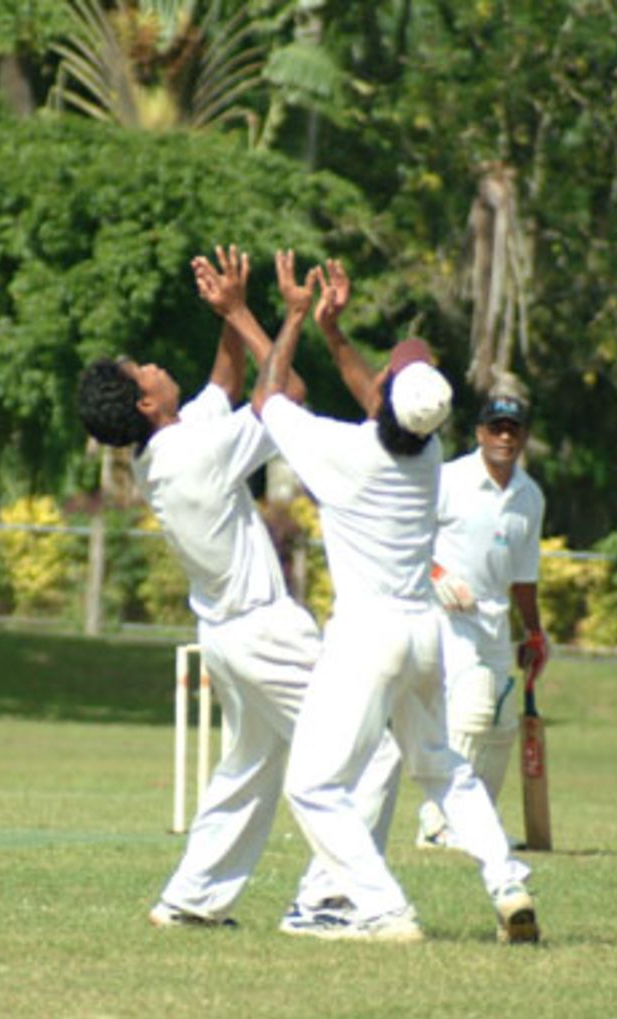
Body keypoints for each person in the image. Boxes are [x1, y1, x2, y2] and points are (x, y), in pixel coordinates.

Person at [75, 246, 397, 929]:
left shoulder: (168, 444)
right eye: (148, 370)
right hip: (265, 631)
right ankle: (326, 901)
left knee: (252, 767)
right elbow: (289, 399)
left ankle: (191, 899)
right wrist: (272, 315)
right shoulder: (191, 455)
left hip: (229, 638)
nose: (160, 366)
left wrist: (227, 315)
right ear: (145, 399)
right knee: (372, 751)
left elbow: (225, 384)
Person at [250, 258, 539, 944]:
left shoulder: (344, 451)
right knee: (443, 767)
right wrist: (335, 333)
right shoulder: (431, 454)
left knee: (313, 786)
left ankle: (379, 906)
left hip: (367, 637)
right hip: (424, 634)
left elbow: (269, 399)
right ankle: (507, 881)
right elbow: (391, 402)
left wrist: (297, 316)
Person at [417, 388, 549, 850]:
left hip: (494, 616)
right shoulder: (448, 479)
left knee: (501, 727)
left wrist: (534, 632)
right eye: (496, 427)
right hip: (447, 612)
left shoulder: (529, 496)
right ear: (479, 433)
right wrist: (435, 575)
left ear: (524, 437)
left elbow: (525, 574)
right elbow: (411, 537)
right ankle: (437, 824)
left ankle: (478, 826)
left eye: (513, 429)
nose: (504, 437)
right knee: (470, 712)